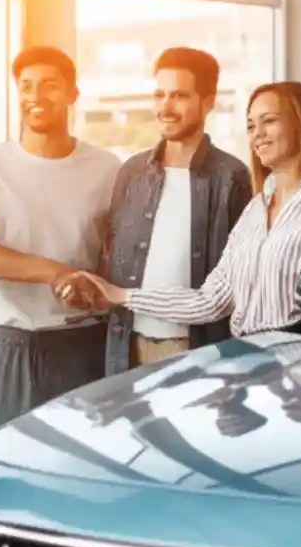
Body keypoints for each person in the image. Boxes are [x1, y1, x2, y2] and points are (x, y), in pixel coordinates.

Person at [60, 81, 301, 339]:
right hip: (249, 364)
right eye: (250, 125)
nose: (257, 133)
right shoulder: (256, 210)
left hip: (299, 372)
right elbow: (209, 301)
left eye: (269, 121)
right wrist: (120, 295)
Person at [0, 45, 121, 433]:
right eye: (26, 86)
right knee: (3, 474)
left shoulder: (106, 169)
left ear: (72, 94)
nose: (35, 97)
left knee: (85, 471)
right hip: (15, 346)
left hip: (85, 345)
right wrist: (56, 273)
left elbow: (117, 255)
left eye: (49, 86)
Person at [102, 47, 251, 375]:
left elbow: (240, 276)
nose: (165, 107)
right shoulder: (132, 172)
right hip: (126, 344)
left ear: (208, 101)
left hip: (197, 349)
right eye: (159, 95)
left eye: (179, 96)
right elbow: (109, 252)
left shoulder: (232, 177)